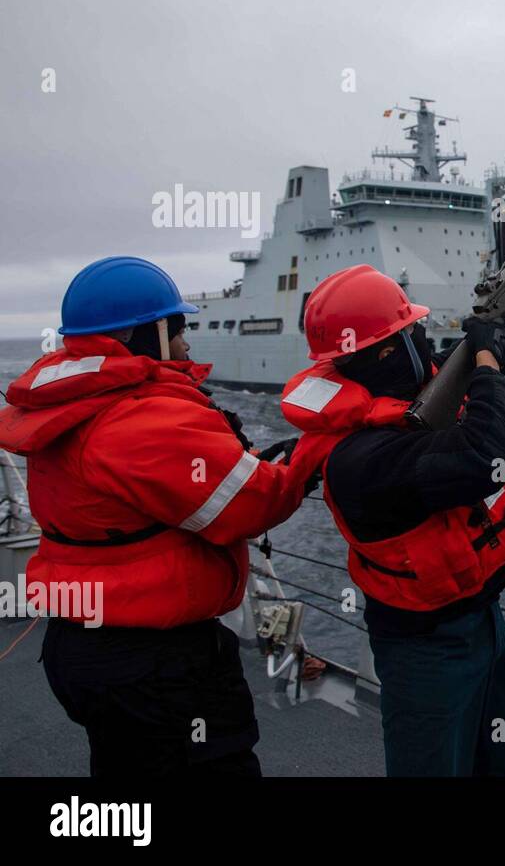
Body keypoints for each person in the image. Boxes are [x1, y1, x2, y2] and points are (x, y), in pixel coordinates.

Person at [280, 215, 505, 776]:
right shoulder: (359, 459)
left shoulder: (404, 394)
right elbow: (486, 458)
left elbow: (497, 346)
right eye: (412, 330)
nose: (423, 337)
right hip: (426, 648)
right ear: (388, 352)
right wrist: (485, 363)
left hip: (482, 622)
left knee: (497, 763)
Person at [0, 256, 318, 776]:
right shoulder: (143, 415)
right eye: (177, 328)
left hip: (84, 644)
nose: (187, 343)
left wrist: (245, 464)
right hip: (155, 662)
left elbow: (161, 488)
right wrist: (304, 467)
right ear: (142, 333)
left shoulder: (74, 402)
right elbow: (250, 505)